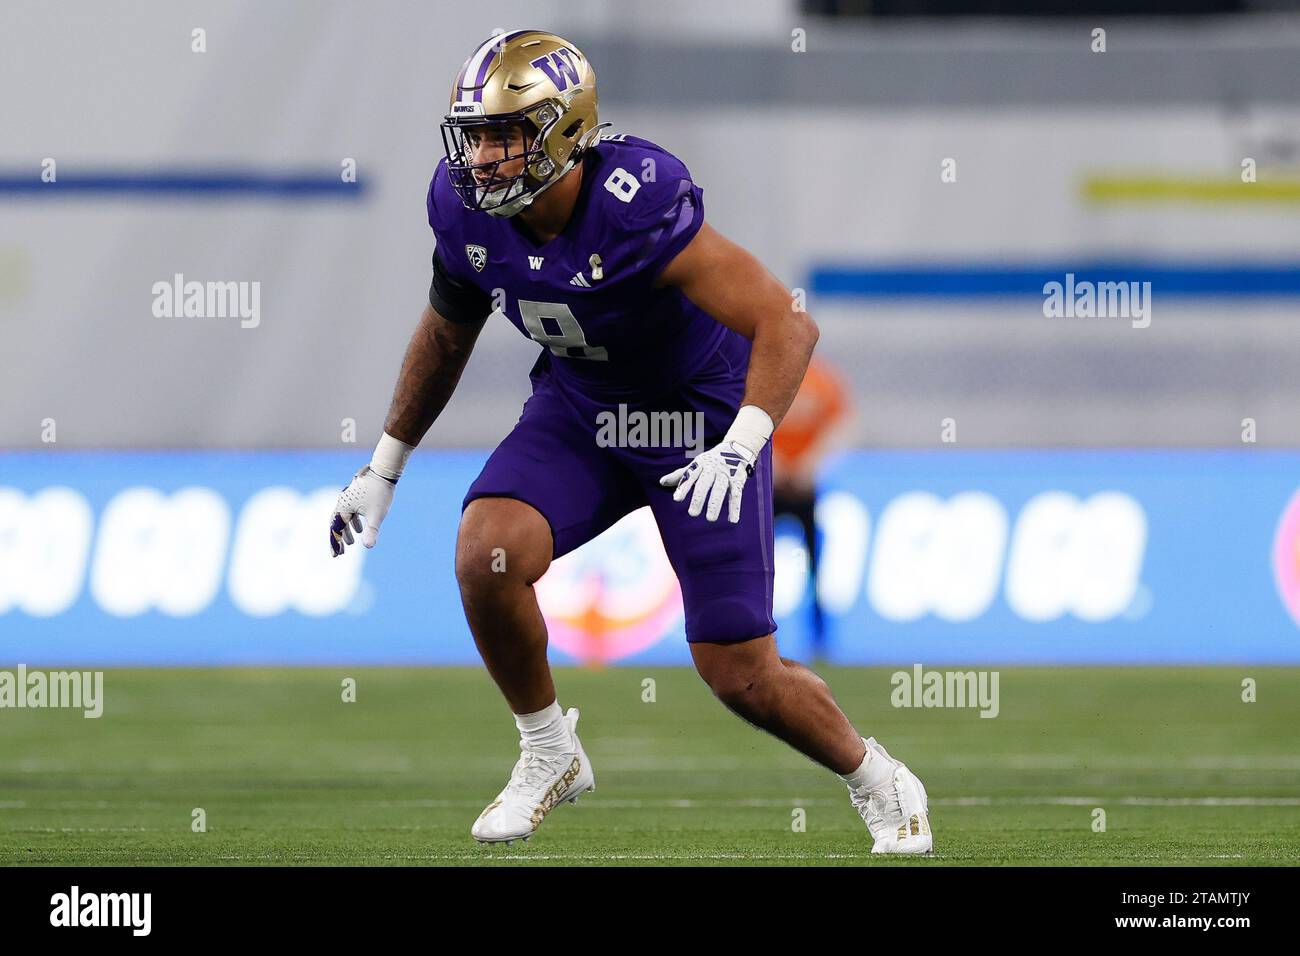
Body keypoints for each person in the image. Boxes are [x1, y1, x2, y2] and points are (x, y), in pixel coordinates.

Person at [328, 30, 931, 853]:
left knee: (738, 671)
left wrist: (742, 444)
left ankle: (877, 778)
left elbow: (785, 325)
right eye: (477, 135)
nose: (485, 157)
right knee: (486, 552)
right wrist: (384, 466)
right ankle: (547, 751)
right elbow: (447, 331)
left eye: (507, 134)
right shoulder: (461, 206)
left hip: (694, 418)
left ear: (565, 131)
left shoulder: (633, 199)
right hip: (584, 409)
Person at [771, 358, 851, 661]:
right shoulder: (767, 372)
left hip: (805, 489)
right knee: (760, 566)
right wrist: (773, 462)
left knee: (816, 566)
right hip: (772, 487)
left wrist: (810, 464)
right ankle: (759, 636)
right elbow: (743, 419)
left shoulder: (821, 380)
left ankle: (820, 638)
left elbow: (840, 426)